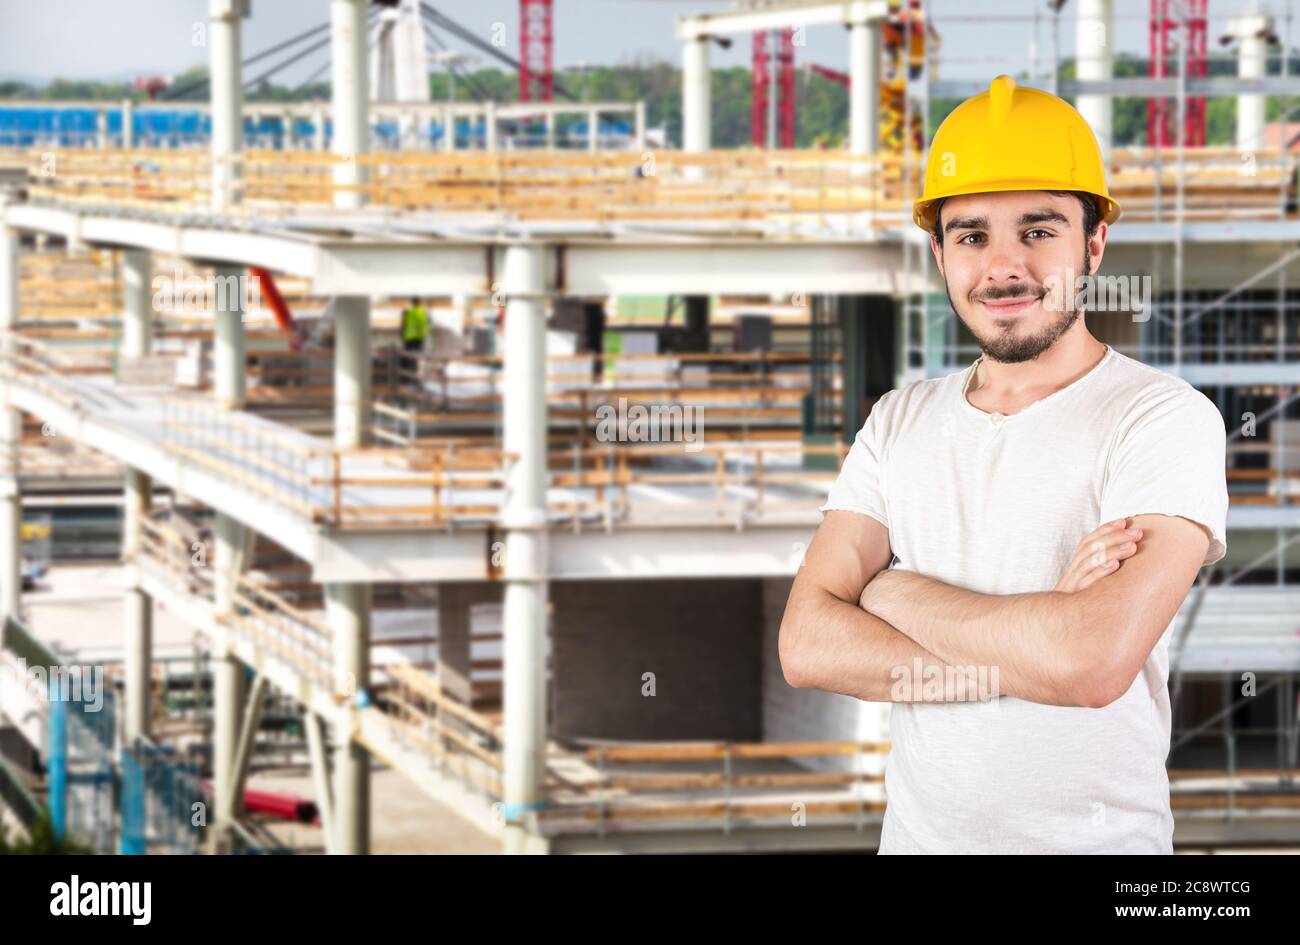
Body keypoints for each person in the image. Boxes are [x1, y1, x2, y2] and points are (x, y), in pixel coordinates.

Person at [779, 75, 1228, 854]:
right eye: (973, 235)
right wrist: (1029, 647)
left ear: (1094, 242)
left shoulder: (1160, 419)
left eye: (1039, 230)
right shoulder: (898, 421)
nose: (1004, 266)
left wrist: (893, 591)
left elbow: (1090, 663)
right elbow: (808, 645)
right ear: (940, 253)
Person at [399, 296, 429, 384]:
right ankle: (414, 378)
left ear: (412, 302)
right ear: (419, 302)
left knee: (406, 357)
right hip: (419, 338)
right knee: (415, 358)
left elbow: (403, 323)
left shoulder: (407, 311)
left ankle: (405, 378)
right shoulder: (423, 312)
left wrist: (401, 334)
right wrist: (424, 337)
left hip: (409, 337)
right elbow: (425, 324)